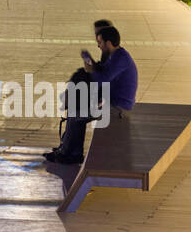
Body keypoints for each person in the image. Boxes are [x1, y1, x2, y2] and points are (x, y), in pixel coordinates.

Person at [44, 24, 138, 165]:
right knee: (77, 111)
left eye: (100, 43)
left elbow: (101, 80)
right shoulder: (115, 56)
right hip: (110, 103)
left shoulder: (121, 58)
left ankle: (69, 153)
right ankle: (70, 152)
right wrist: (93, 66)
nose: (99, 46)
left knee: (76, 115)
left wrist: (90, 70)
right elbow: (103, 75)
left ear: (108, 43)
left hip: (118, 109)